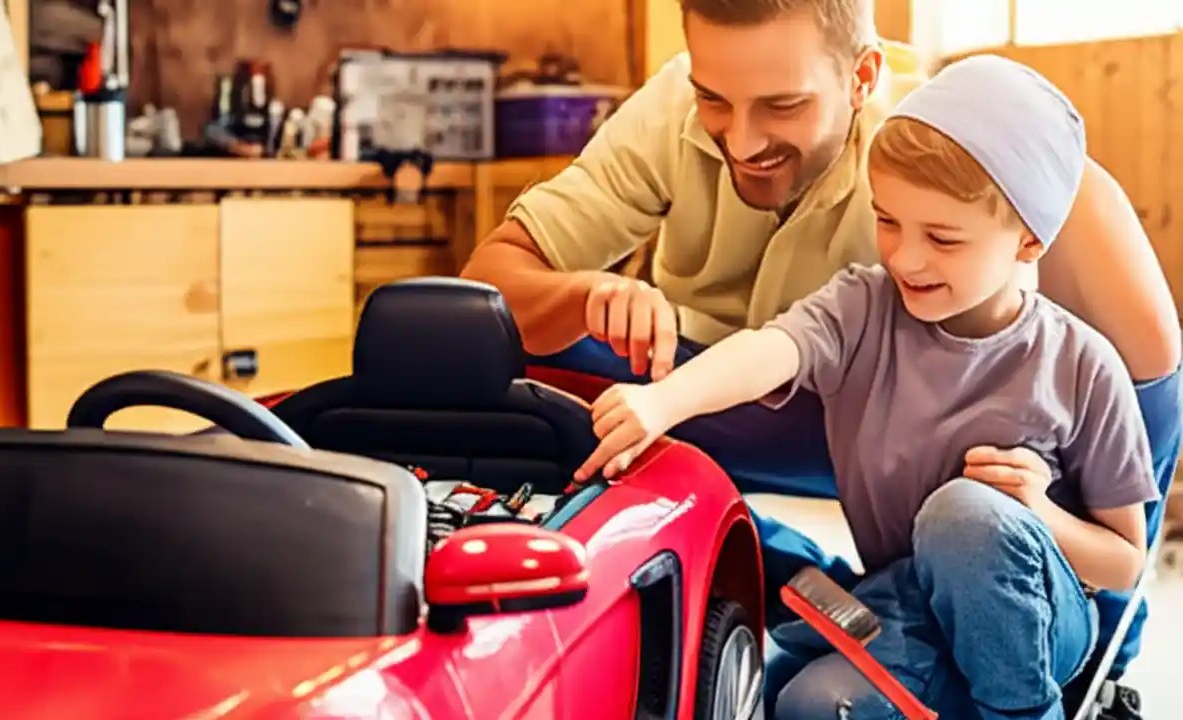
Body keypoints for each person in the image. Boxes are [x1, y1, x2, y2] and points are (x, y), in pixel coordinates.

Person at [459, 0, 1181, 692]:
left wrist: (1096, 632)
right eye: (715, 100)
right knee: (523, 372)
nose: (740, 141)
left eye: (782, 106)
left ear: (863, 77)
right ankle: (785, 577)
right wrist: (586, 295)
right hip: (716, 386)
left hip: (909, 437)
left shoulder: (949, 151)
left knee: (986, 494)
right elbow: (486, 291)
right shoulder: (672, 105)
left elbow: (1147, 378)